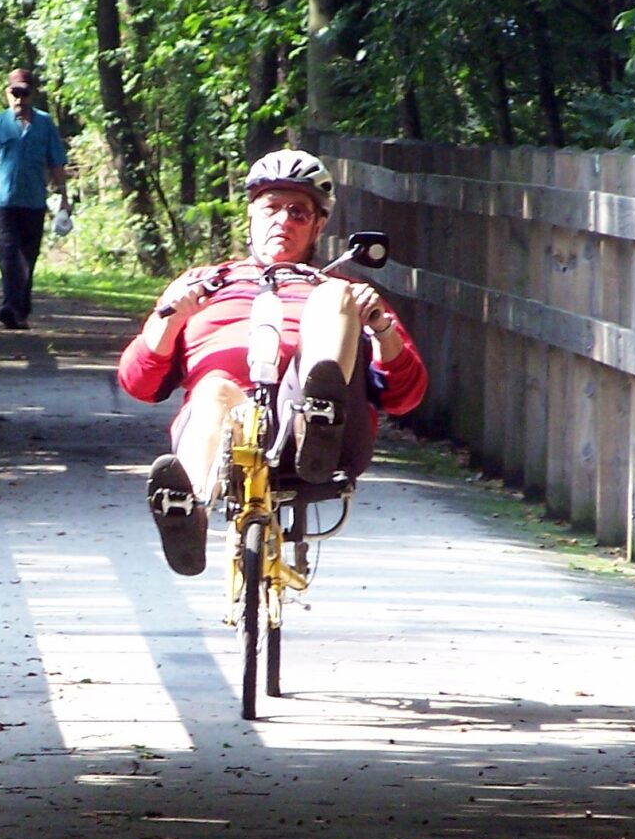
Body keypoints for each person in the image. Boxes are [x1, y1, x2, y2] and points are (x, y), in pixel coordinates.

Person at [116, 148, 427, 575]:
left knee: (334, 296)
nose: (283, 220)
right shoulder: (203, 284)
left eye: (298, 212)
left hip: (322, 430)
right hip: (227, 424)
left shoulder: (343, 290)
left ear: (318, 226)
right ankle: (189, 509)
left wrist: (379, 327)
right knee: (212, 390)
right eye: (272, 209)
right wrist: (172, 317)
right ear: (251, 216)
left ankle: (318, 418)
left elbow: (405, 396)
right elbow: (138, 382)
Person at [0, 69, 70, 329]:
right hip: (4, 200)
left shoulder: (45, 124)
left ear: (32, 94)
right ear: (7, 93)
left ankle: (21, 308)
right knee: (7, 252)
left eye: (23, 93)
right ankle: (10, 306)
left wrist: (64, 197)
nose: (18, 99)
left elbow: (56, 163)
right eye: (14, 93)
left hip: (34, 201)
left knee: (28, 255)